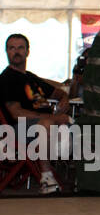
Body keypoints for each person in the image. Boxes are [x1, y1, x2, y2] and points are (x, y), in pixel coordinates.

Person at [1, 33, 71, 194]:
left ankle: (81, 178)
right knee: (47, 125)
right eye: (12, 48)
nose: (16, 51)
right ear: (6, 52)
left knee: (81, 126)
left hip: (43, 126)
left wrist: (65, 97)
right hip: (15, 131)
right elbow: (16, 113)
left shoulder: (30, 78)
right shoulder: (7, 79)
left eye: (20, 47)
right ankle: (46, 177)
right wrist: (54, 117)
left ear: (27, 52)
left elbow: (58, 91)